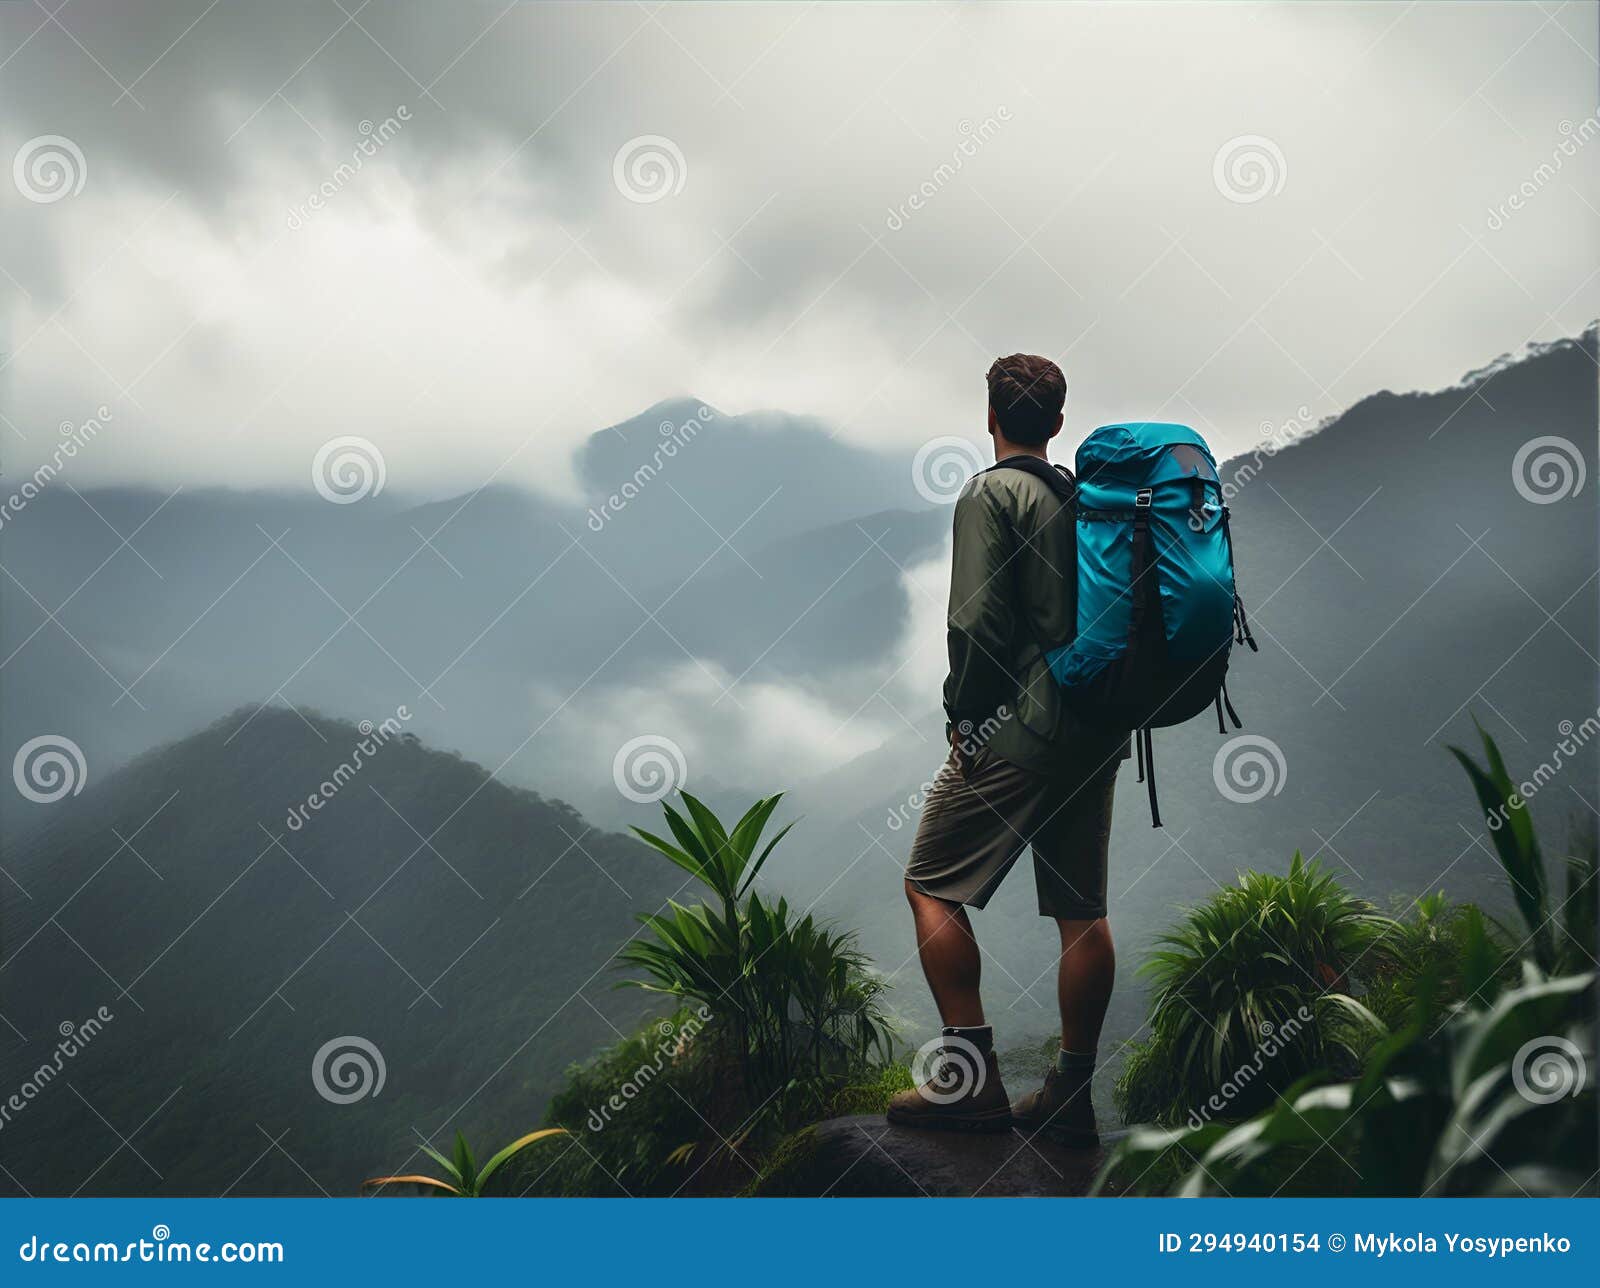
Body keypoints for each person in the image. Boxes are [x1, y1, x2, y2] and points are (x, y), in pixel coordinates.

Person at [886, 354, 1127, 1148]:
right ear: (1058, 424)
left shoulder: (992, 493)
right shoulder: (1083, 498)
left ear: (989, 415)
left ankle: (972, 1080)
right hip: (1095, 728)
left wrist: (964, 717)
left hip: (1017, 730)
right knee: (1082, 913)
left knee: (930, 885)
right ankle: (1070, 1090)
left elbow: (977, 627)